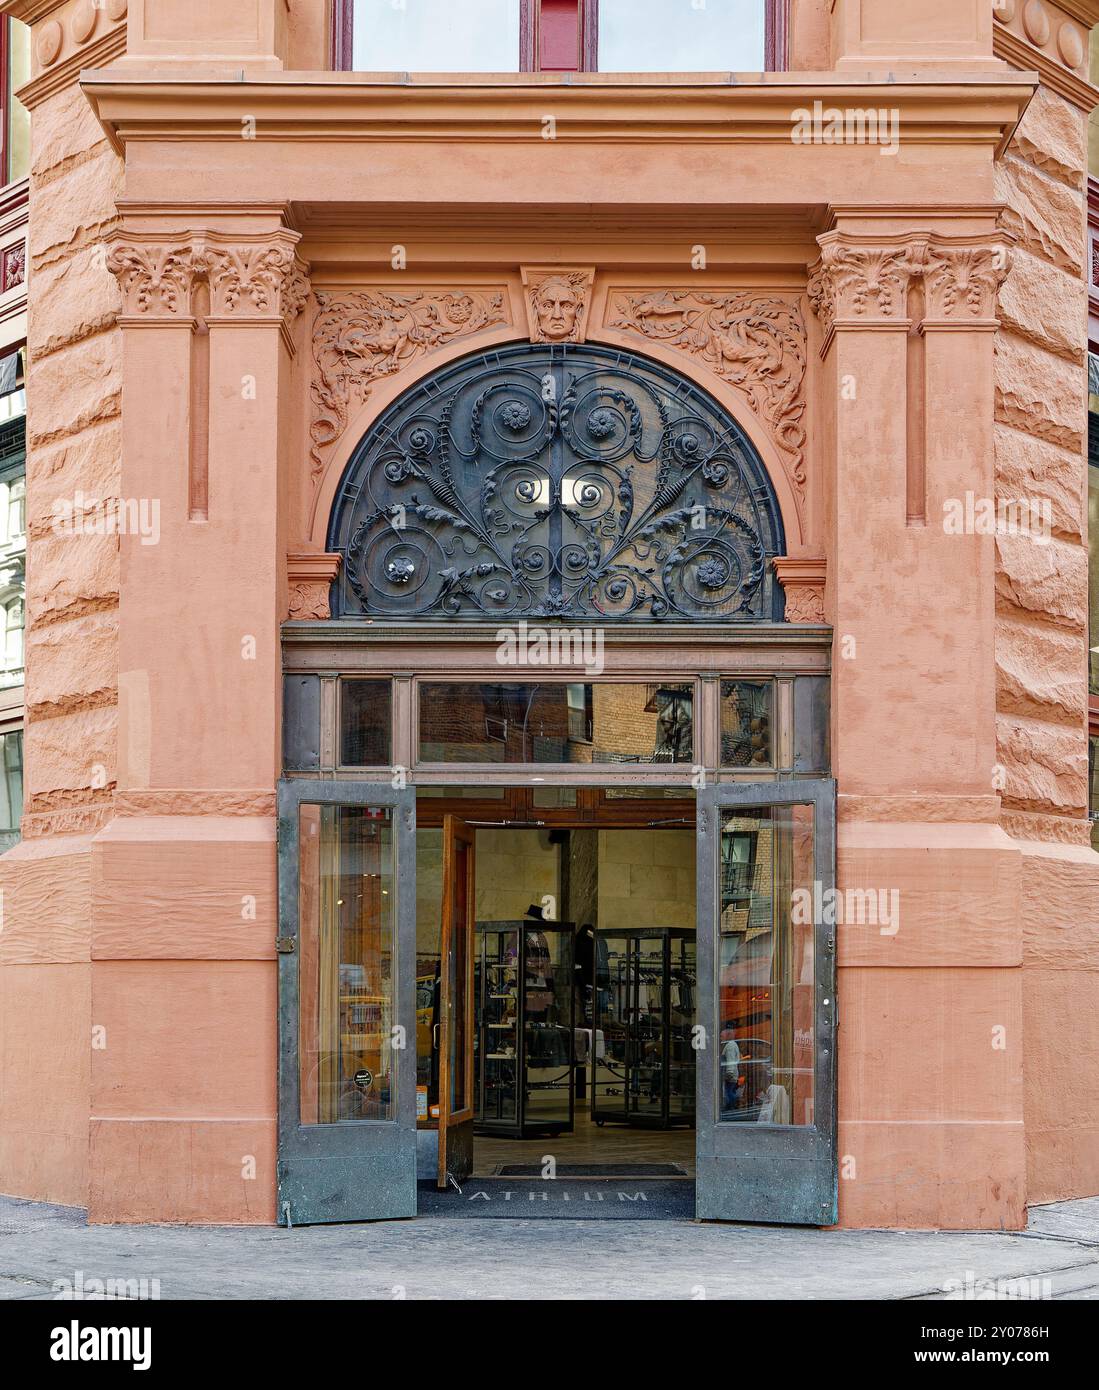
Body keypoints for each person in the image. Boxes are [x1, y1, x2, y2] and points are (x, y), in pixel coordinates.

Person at [721, 1034, 742, 1114]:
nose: (720, 1038)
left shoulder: (730, 1046)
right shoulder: (731, 1045)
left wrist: (729, 1073)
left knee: (729, 1093)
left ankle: (731, 1110)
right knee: (730, 1092)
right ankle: (731, 1109)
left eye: (722, 1036)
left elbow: (731, 1060)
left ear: (728, 1036)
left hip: (730, 1074)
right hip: (731, 1074)